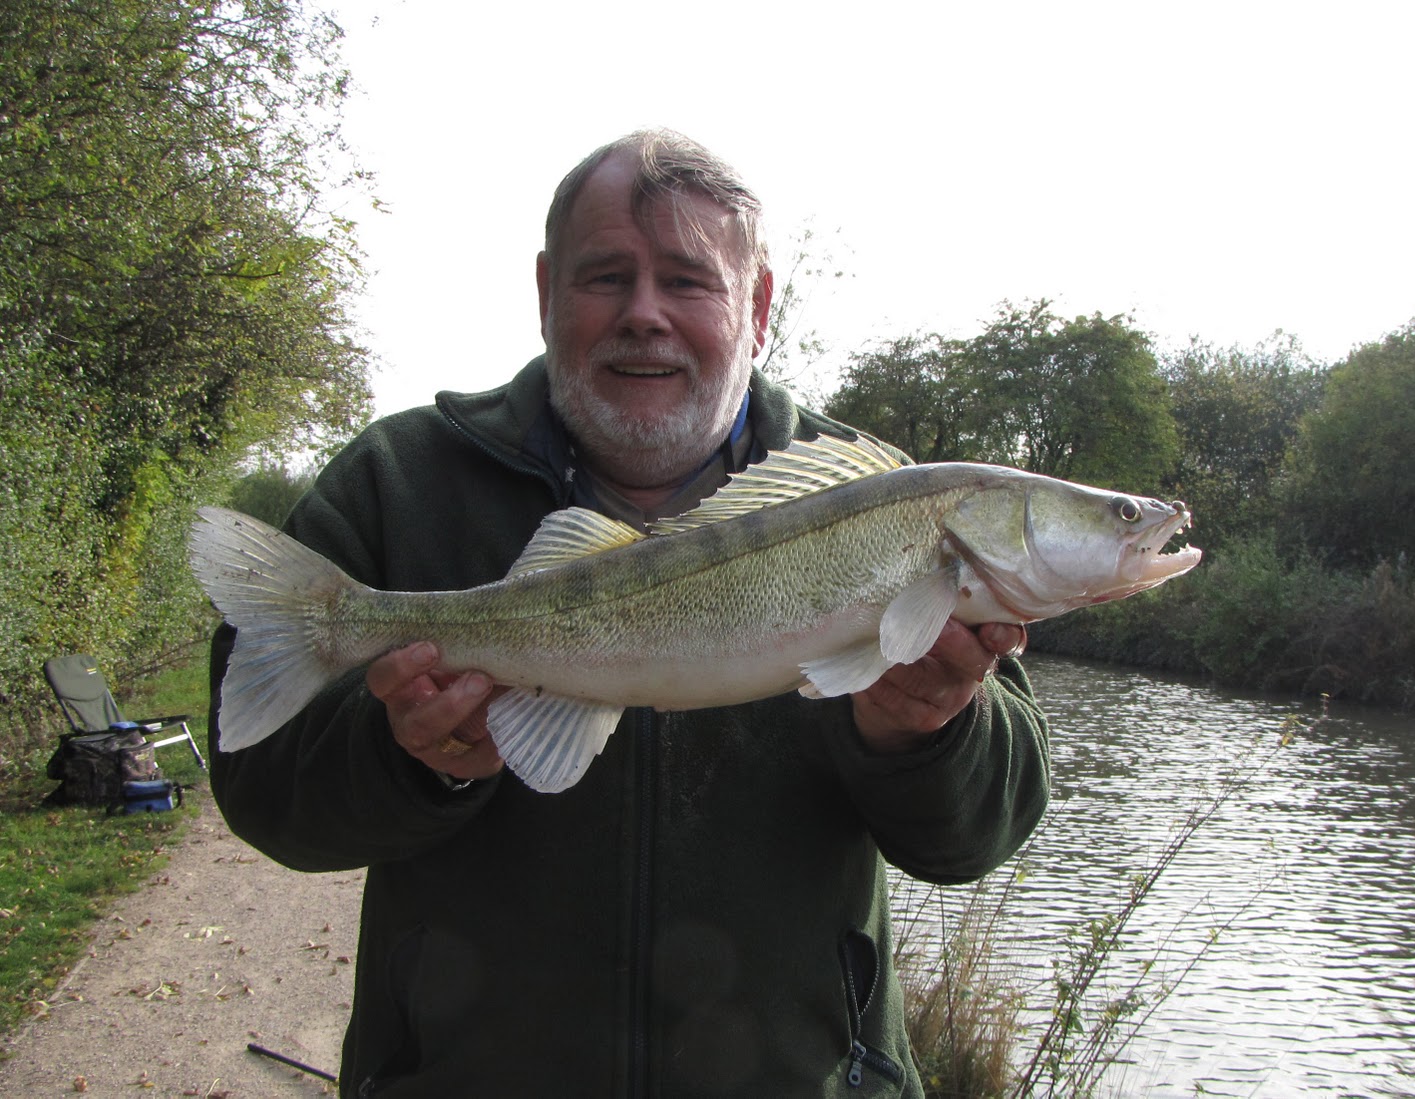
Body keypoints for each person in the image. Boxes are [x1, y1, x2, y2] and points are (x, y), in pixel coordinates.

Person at [209, 129, 1051, 1097]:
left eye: (689, 281)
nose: (643, 315)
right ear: (545, 294)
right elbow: (258, 781)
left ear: (759, 305)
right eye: (605, 276)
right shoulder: (397, 485)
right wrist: (407, 759)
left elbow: (985, 829)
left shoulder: (885, 500)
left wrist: (927, 731)